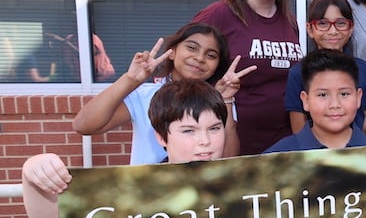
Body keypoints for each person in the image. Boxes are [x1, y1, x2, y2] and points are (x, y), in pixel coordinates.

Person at [22, 80, 230, 218]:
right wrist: (31, 172)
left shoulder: (244, 183)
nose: (205, 141)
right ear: (161, 136)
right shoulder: (135, 189)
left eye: (214, 128)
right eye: (188, 131)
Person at [72, 23, 250, 164]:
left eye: (211, 55)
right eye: (192, 48)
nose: (199, 58)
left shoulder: (217, 98)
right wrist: (130, 80)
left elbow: (229, 160)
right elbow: (84, 125)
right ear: (172, 52)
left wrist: (225, 99)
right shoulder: (143, 95)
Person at [192, 0, 304, 155]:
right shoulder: (220, 14)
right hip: (233, 144)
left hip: (285, 145)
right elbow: (185, 62)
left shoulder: (290, 21)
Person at [285, 0, 366, 135]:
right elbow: (298, 129)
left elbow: (362, 118)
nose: (333, 31)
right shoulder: (298, 73)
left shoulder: (362, 69)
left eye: (341, 23)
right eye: (323, 24)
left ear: (351, 28)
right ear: (310, 29)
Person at [265, 50, 366, 153]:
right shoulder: (277, 156)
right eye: (323, 95)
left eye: (344, 94)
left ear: (358, 97)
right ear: (306, 100)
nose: (335, 104)